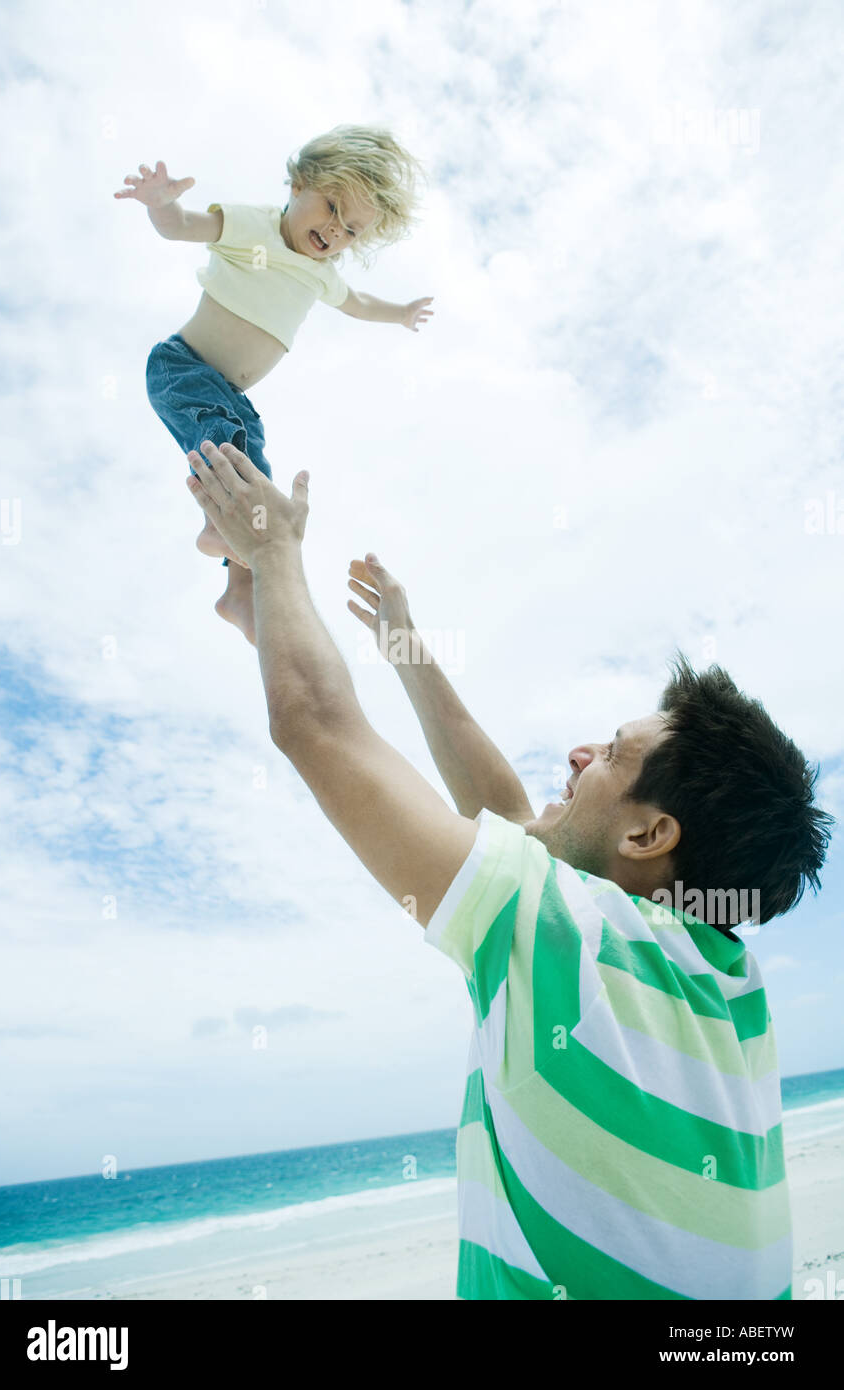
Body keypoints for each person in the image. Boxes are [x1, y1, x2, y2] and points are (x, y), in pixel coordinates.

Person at [185, 441, 834, 1301]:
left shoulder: (564, 935)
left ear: (649, 837)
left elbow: (318, 729)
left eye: (610, 753)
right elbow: (516, 833)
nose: (578, 753)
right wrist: (397, 648)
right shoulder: (723, 974)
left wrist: (274, 557)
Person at [114, 125, 431, 633]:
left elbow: (359, 303)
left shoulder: (321, 273)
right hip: (183, 368)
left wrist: (400, 313)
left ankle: (239, 591)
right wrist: (159, 204)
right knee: (224, 437)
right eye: (331, 208)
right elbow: (181, 227)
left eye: (351, 231)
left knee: (252, 467)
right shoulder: (252, 225)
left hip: (230, 395)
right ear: (299, 183)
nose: (335, 232)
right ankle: (218, 525)